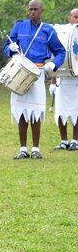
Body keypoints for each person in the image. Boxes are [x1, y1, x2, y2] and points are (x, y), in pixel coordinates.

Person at [4, 0, 65, 159]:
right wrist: (10, 49)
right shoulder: (19, 26)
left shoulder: (48, 30)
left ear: (41, 10)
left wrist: (53, 64)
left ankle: (36, 148)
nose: (33, 12)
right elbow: (7, 44)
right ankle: (23, 148)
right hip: (20, 71)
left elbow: (60, 51)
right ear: (27, 10)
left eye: (36, 9)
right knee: (21, 111)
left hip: (37, 72)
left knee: (36, 111)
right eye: (30, 9)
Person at [51, 9, 78, 150]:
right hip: (62, 79)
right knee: (61, 111)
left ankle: (75, 140)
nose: (77, 20)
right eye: (75, 17)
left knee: (77, 111)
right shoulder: (62, 34)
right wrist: (53, 82)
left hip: (77, 80)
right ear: (70, 18)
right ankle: (64, 141)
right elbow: (56, 57)